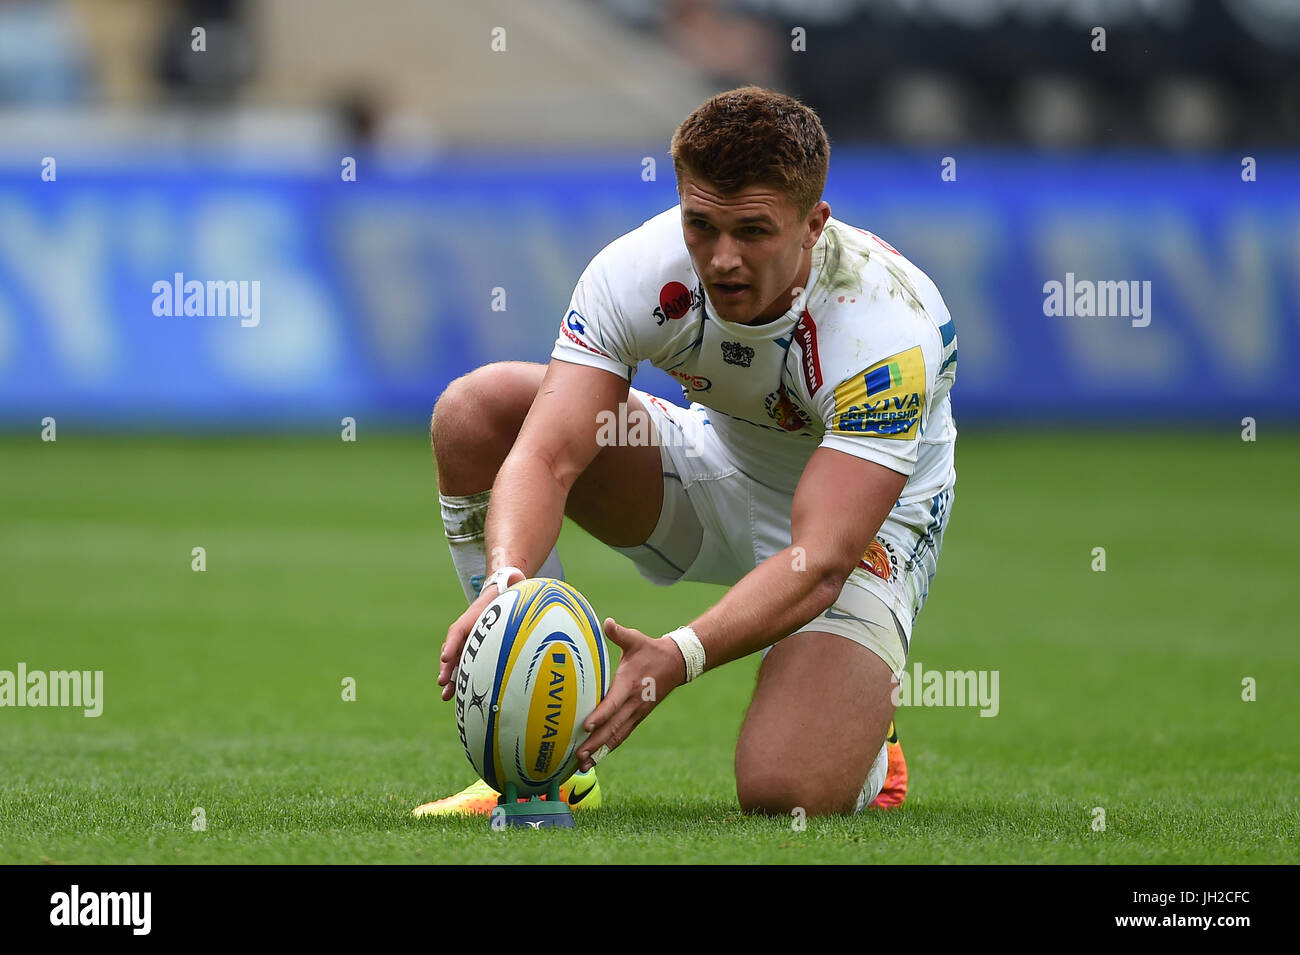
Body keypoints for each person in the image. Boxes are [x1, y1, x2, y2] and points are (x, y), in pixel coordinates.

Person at [413, 86, 957, 819]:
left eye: (754, 231)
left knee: (784, 794)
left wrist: (676, 655)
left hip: (857, 539)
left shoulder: (886, 327)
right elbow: (545, 458)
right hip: (710, 469)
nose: (723, 258)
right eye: (701, 224)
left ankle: (867, 729)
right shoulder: (639, 270)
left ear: (813, 223)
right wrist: (501, 588)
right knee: (478, 411)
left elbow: (822, 557)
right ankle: (548, 763)